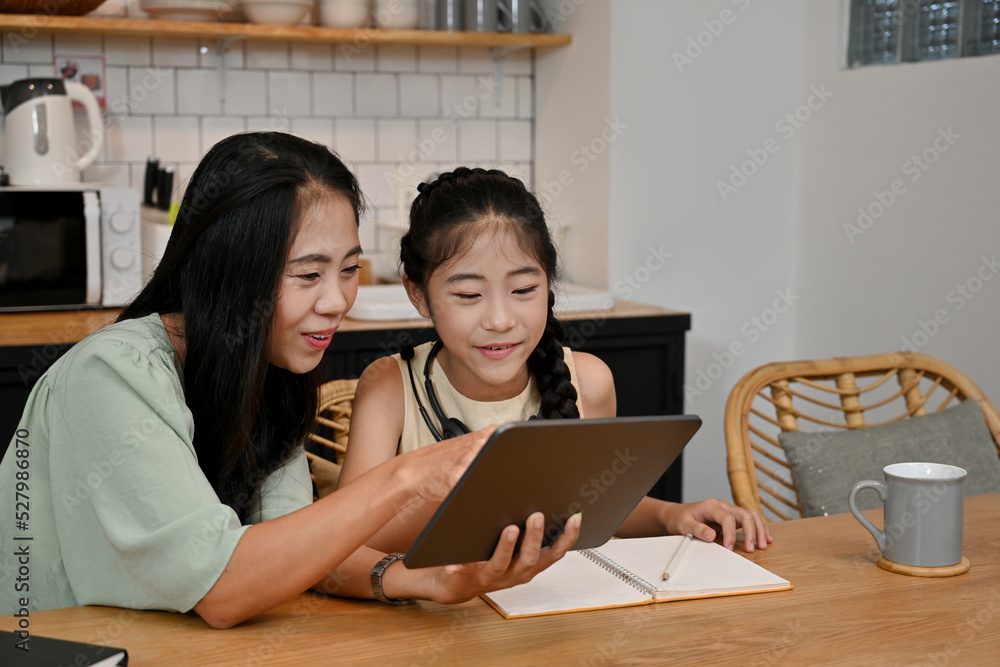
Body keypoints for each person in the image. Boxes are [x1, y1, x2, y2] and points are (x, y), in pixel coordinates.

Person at [0, 133, 580, 629]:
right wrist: (410, 476)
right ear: (232, 271)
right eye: (308, 275)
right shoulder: (110, 374)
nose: (337, 301)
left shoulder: (267, 370)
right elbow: (222, 589)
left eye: (348, 270)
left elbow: (298, 550)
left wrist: (426, 581)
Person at [339, 167, 773, 555]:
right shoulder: (389, 387)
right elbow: (345, 537)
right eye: (469, 295)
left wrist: (673, 515)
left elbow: (596, 504)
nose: (500, 320)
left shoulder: (589, 381)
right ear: (418, 294)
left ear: (548, 284)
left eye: (524, 290)